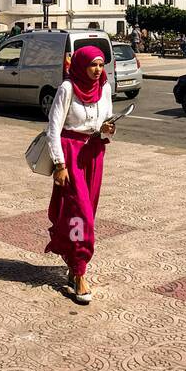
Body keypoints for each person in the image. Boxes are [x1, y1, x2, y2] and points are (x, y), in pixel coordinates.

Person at [44, 45, 117, 305]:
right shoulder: (68, 88)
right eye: (92, 65)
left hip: (94, 152)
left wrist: (108, 129)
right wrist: (59, 164)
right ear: (80, 65)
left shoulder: (105, 88)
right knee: (80, 214)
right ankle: (79, 271)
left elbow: (106, 124)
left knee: (88, 213)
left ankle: (72, 257)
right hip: (71, 154)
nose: (97, 70)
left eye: (101, 65)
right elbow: (53, 130)